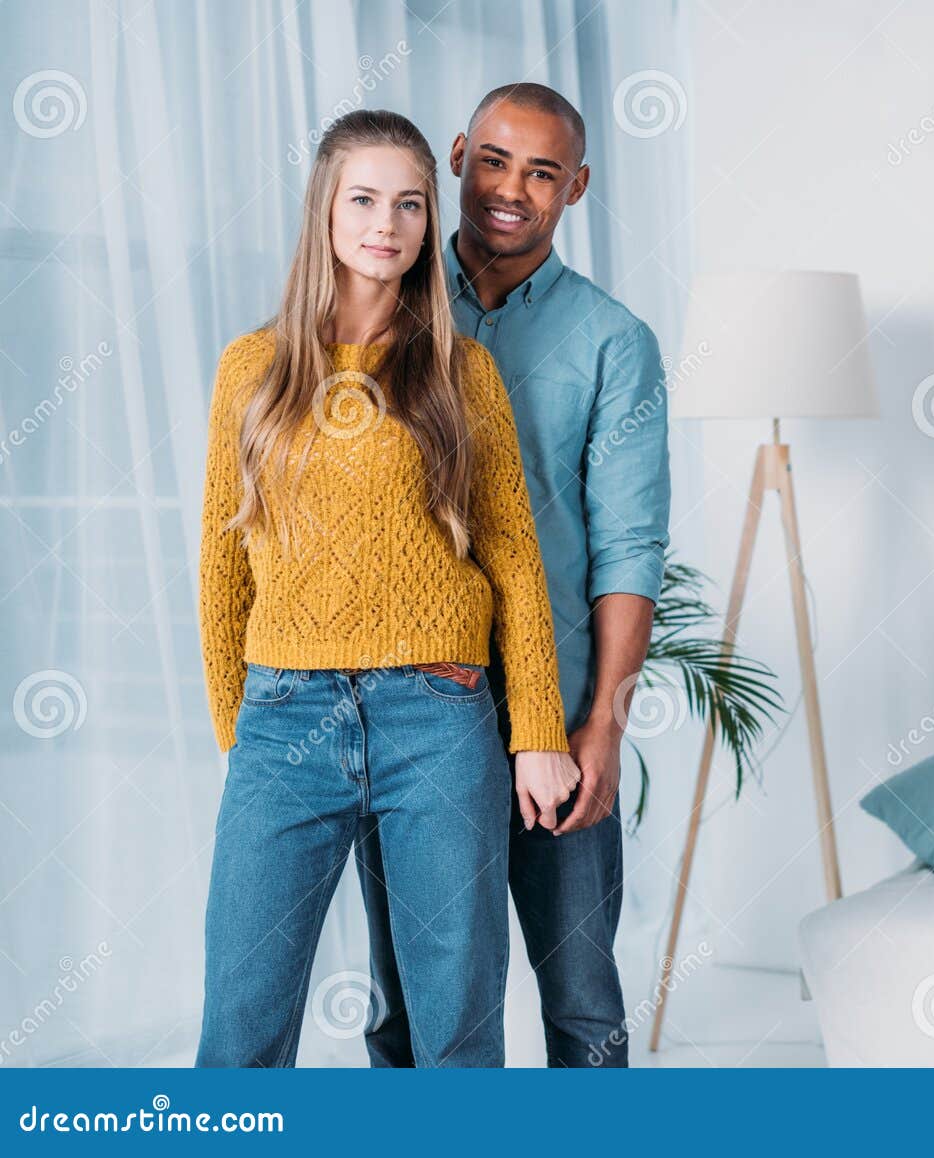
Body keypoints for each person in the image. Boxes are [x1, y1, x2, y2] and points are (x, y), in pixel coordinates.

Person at [195, 109, 579, 1068]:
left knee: (456, 1027)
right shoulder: (252, 369)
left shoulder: (461, 370)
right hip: (286, 717)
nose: (388, 223)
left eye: (410, 204)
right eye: (364, 199)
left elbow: (514, 560)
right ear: (325, 211)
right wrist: (239, 726)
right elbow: (220, 558)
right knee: (242, 1023)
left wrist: (535, 732)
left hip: (439, 716)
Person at [360, 83, 671, 1068]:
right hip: (404, 705)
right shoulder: (374, 310)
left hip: (557, 719)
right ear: (456, 157)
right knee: (408, 1007)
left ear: (574, 187)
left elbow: (627, 550)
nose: (512, 188)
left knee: (580, 1001)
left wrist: (601, 730)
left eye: (542, 171)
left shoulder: (612, 342)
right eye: (495, 159)